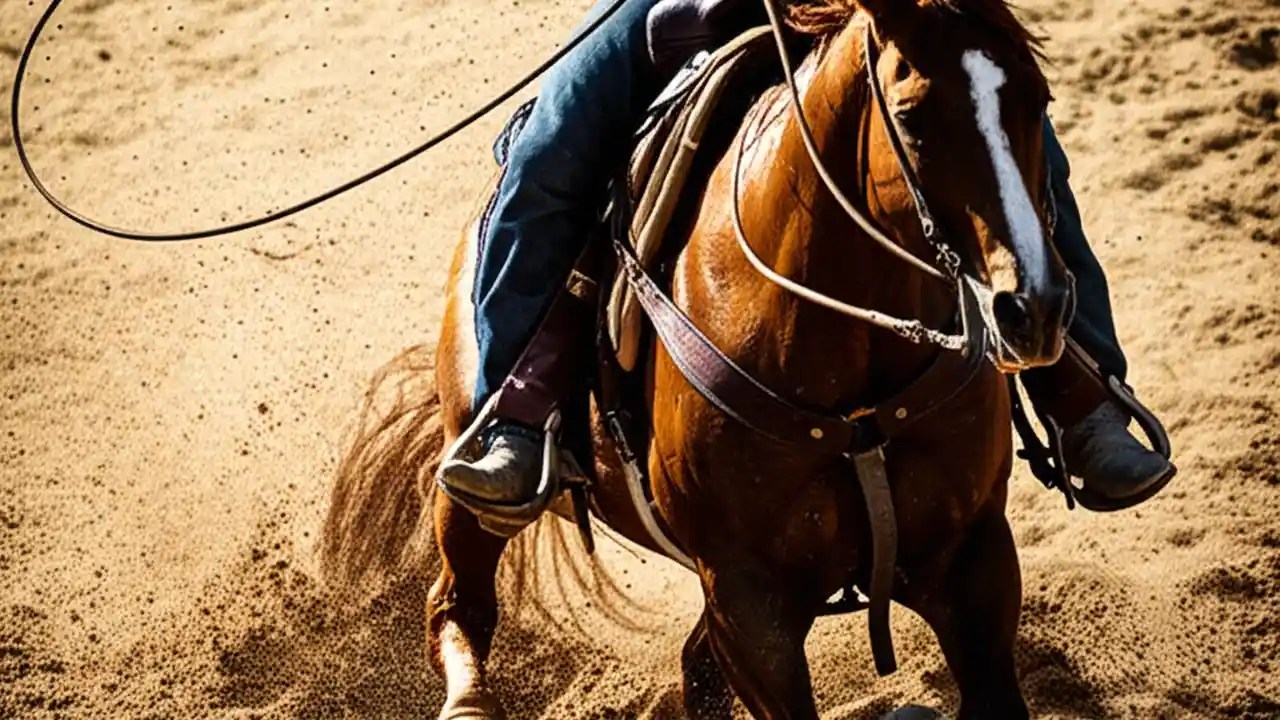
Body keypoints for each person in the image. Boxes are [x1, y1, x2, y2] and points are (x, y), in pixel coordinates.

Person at [439, 0, 1174, 519]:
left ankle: (1084, 400)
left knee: (1019, 139)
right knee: (551, 153)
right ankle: (515, 411)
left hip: (905, 14)